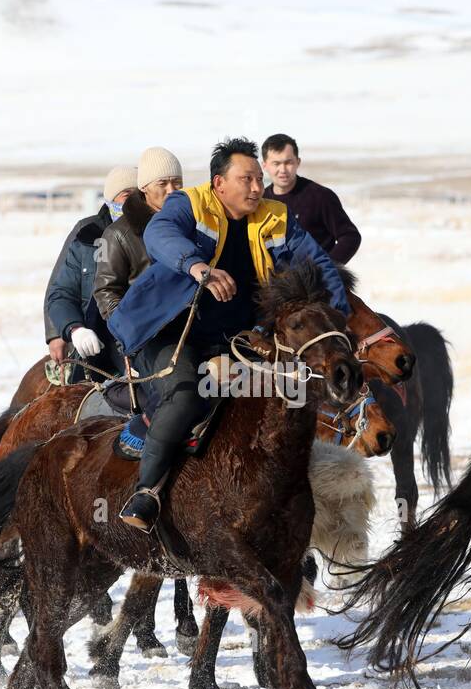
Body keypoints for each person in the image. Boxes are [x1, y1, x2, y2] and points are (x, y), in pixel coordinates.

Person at [108, 137, 352, 532]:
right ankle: (147, 492)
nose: (257, 188)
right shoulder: (188, 205)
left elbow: (321, 265)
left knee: (284, 394)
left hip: (233, 339)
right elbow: (160, 234)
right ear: (219, 184)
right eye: (247, 179)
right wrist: (197, 266)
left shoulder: (276, 217)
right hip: (169, 334)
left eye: (259, 178)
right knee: (187, 393)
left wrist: (338, 323)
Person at [43, 166, 135, 370]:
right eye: (126, 195)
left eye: (139, 195)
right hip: (90, 338)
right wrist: (59, 333)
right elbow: (60, 287)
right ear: (111, 199)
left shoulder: (151, 233)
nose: (132, 202)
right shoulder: (87, 233)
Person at [93, 147, 183, 325]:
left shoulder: (190, 222)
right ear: (144, 187)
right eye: (162, 183)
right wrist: (129, 330)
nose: (171, 190)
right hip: (153, 333)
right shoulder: (117, 234)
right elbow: (106, 291)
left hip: (196, 329)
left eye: (177, 182)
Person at [261, 133, 362, 264]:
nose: (283, 169)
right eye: (276, 163)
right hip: (277, 281)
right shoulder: (261, 201)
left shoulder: (320, 196)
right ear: (264, 166)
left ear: (298, 162)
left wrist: (327, 269)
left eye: (288, 162)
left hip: (317, 280)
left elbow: (350, 236)